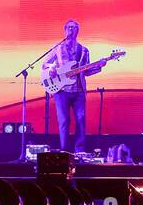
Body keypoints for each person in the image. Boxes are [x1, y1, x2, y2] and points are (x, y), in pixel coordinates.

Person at [42, 19, 101, 154]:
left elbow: (86, 71)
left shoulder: (84, 50)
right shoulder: (58, 48)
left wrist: (99, 66)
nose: (71, 29)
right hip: (61, 91)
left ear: (77, 31)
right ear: (65, 30)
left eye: (74, 27)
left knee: (81, 119)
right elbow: (44, 64)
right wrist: (53, 68)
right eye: (68, 27)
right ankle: (65, 151)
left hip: (79, 91)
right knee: (64, 121)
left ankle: (79, 151)